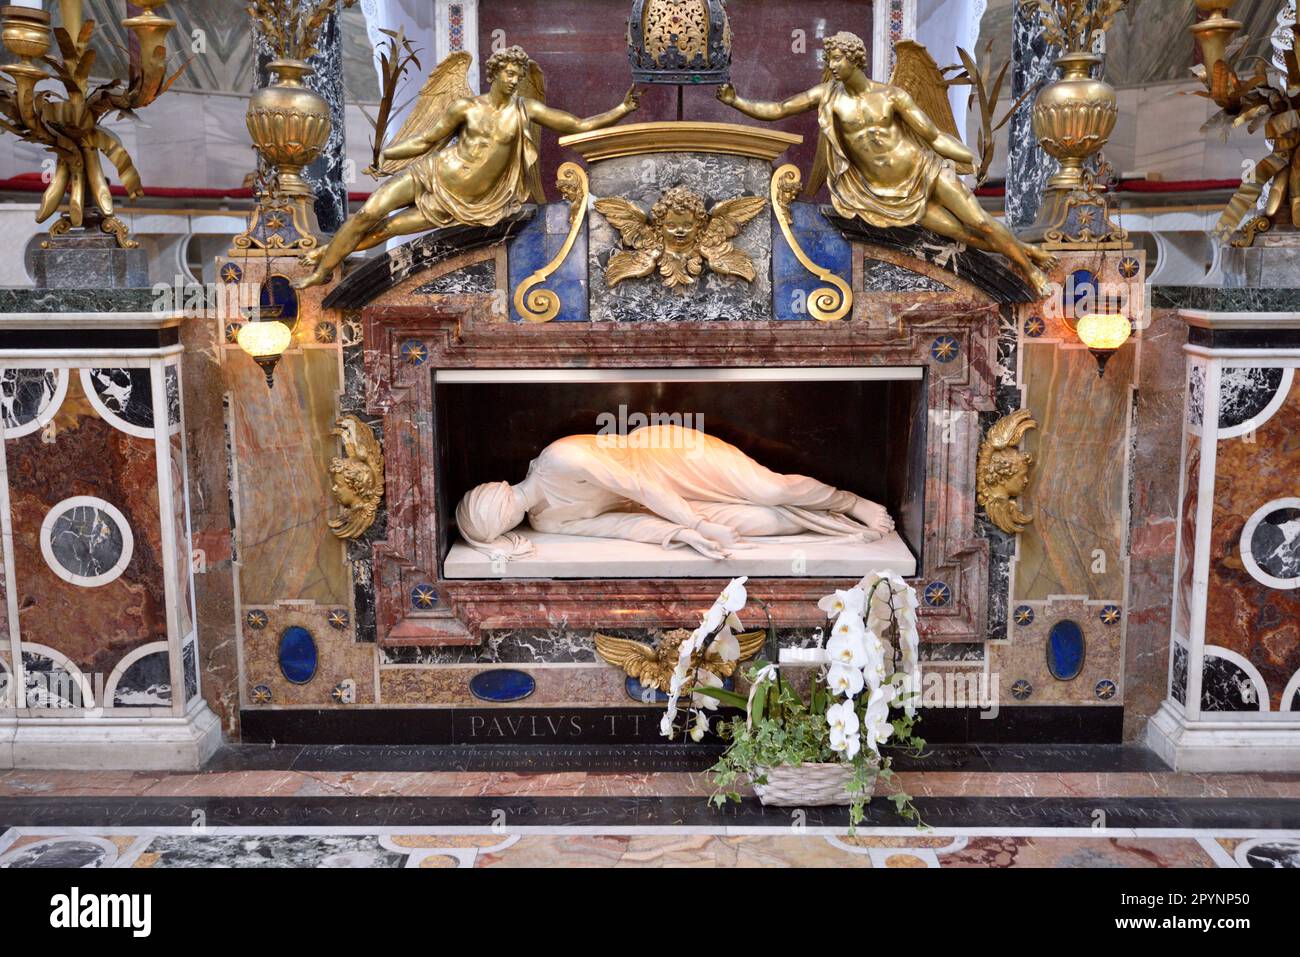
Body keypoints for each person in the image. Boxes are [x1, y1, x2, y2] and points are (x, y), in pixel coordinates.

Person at [455, 425, 895, 562]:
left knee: (768, 488)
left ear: (494, 491)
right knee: (769, 523)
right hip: (665, 508)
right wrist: (686, 536)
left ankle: (849, 502)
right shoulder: (548, 521)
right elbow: (625, 524)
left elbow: (639, 484)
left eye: (495, 508)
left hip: (666, 458)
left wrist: (698, 523)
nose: (508, 514)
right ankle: (827, 524)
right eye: (499, 524)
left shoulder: (558, 459)